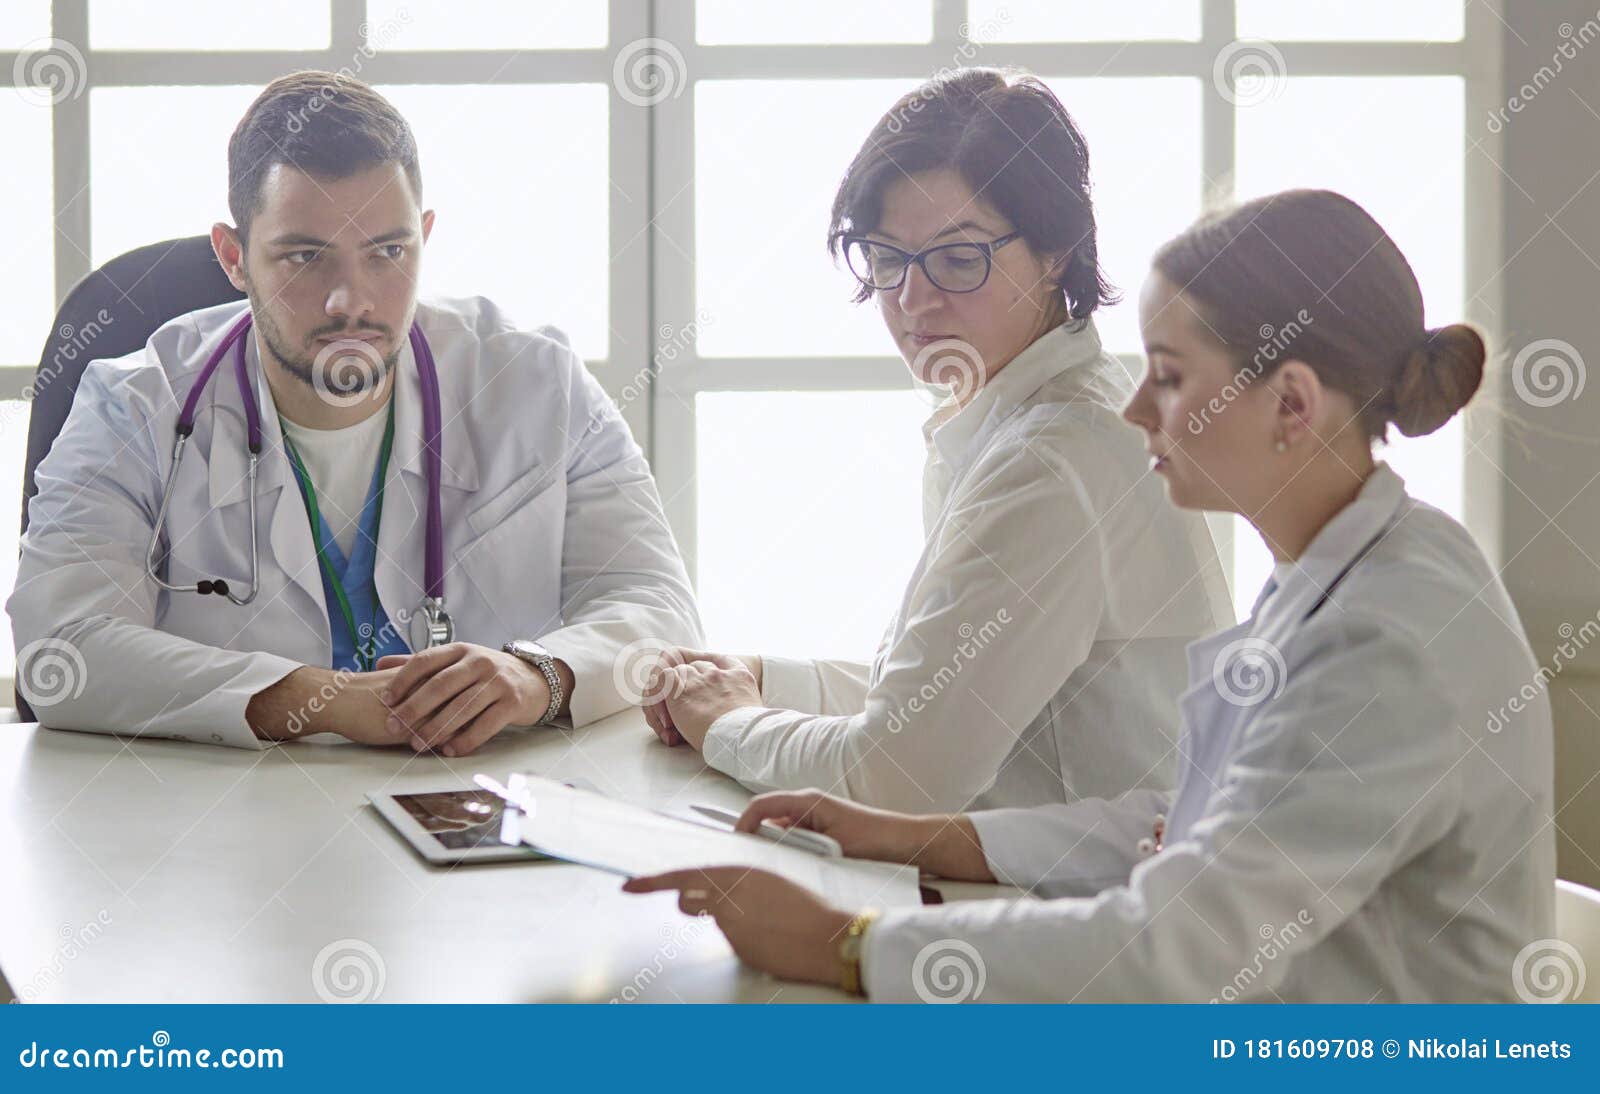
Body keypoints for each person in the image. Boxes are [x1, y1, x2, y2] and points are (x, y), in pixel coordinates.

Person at [625, 189, 1556, 1003]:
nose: (1136, 409)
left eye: (1171, 377)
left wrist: (849, 944)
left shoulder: (1387, 641)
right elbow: (1179, 823)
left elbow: (1179, 948)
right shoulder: (1341, 571)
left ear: (1291, 404)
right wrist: (921, 836)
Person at [8, 71, 702, 755]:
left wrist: (537, 676)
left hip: (482, 803)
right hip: (225, 812)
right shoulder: (131, 407)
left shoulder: (537, 383)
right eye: (304, 257)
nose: (352, 299)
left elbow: (659, 607)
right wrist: (324, 702)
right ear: (234, 257)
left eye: (387, 252)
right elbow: (60, 651)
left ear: (424, 236)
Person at [643, 69, 1232, 813]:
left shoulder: (1051, 458)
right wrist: (761, 681)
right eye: (888, 258)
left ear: (1056, 250)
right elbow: (940, 695)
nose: (912, 300)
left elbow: (899, 776)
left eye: (959, 259)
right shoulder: (1035, 410)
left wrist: (728, 723)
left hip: (1077, 879)